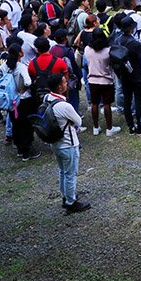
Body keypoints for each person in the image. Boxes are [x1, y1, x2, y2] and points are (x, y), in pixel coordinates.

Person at [43, 74, 91, 214]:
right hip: (68, 143)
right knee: (70, 173)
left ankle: (65, 197)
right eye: (64, 82)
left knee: (62, 172)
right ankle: (71, 202)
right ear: (60, 87)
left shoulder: (47, 99)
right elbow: (78, 121)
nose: (66, 83)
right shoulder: (64, 106)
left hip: (55, 142)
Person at [0, 41, 40, 160]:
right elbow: (28, 82)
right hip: (23, 100)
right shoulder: (21, 67)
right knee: (26, 125)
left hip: (11, 100)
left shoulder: (5, 66)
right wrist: (23, 89)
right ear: (20, 53)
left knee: (15, 123)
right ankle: (27, 150)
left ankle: (19, 148)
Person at [84, 28, 121, 136]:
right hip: (106, 80)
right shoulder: (108, 51)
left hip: (92, 80)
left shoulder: (87, 49)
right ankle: (109, 128)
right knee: (107, 104)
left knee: (94, 103)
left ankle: (96, 127)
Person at [116, 16, 141, 134]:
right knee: (139, 101)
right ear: (131, 28)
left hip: (124, 75)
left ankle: (130, 126)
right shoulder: (134, 43)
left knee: (127, 101)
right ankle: (139, 126)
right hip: (137, 75)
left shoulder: (117, 40)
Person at [51, 28, 83, 121]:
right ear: (65, 38)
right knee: (73, 99)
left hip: (56, 77)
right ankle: (75, 121)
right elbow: (73, 66)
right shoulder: (67, 51)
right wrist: (78, 77)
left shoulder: (53, 49)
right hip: (68, 79)